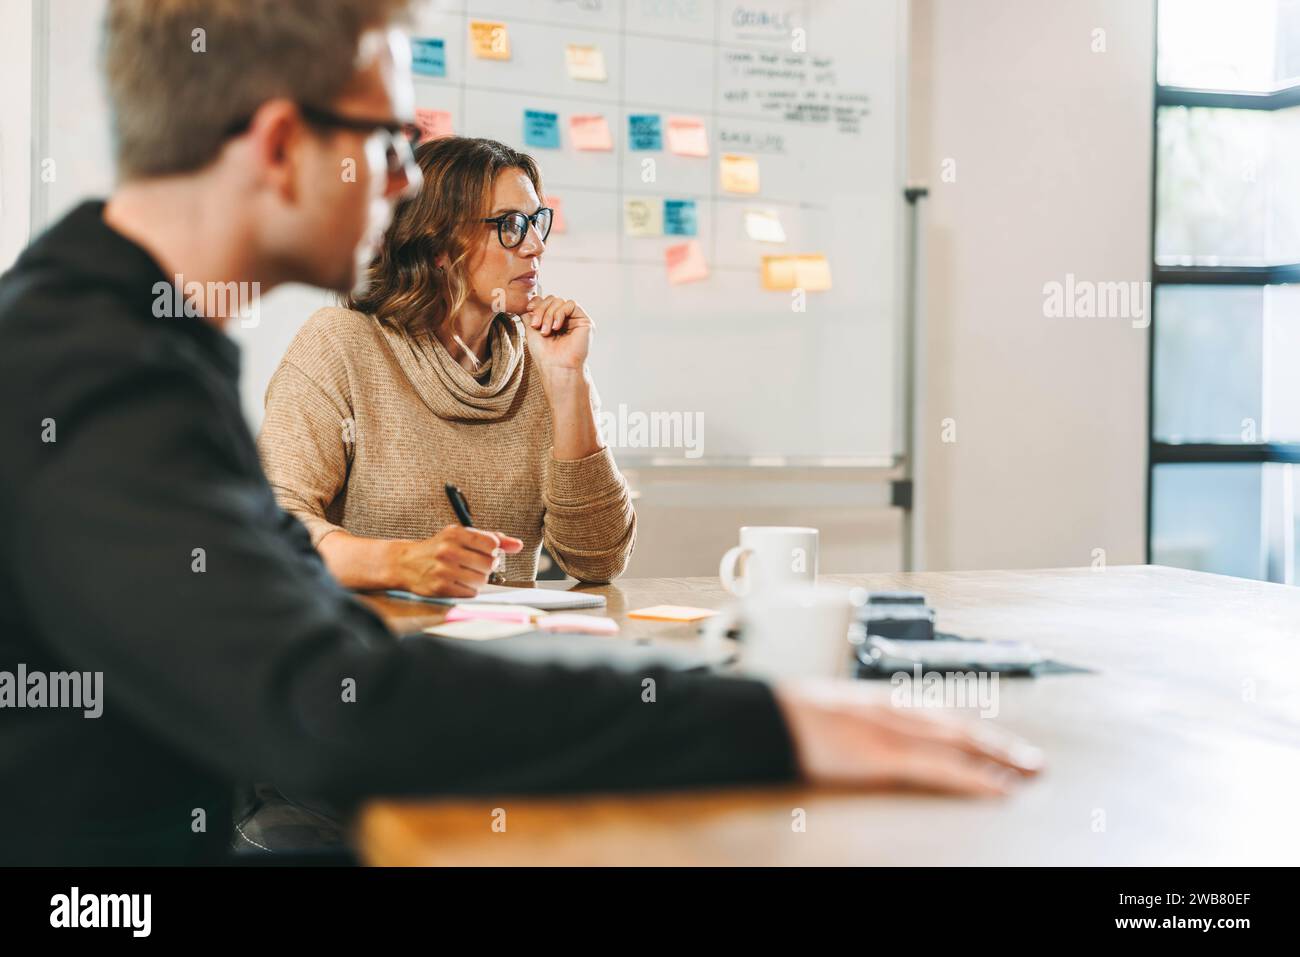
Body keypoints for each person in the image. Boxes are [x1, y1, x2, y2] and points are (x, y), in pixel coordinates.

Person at [0, 0, 1041, 866]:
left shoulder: (138, 339)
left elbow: (328, 635)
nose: (407, 182)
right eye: (384, 142)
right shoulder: (93, 371)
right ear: (279, 145)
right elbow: (332, 701)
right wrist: (767, 728)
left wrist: (698, 691)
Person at [258, 136, 634, 597]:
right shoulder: (342, 344)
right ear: (438, 245)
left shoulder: (546, 361)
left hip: (496, 647)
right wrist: (400, 563)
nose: (536, 246)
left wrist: (568, 382)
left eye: (536, 222)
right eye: (512, 225)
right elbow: (272, 530)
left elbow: (598, 559)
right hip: (367, 649)